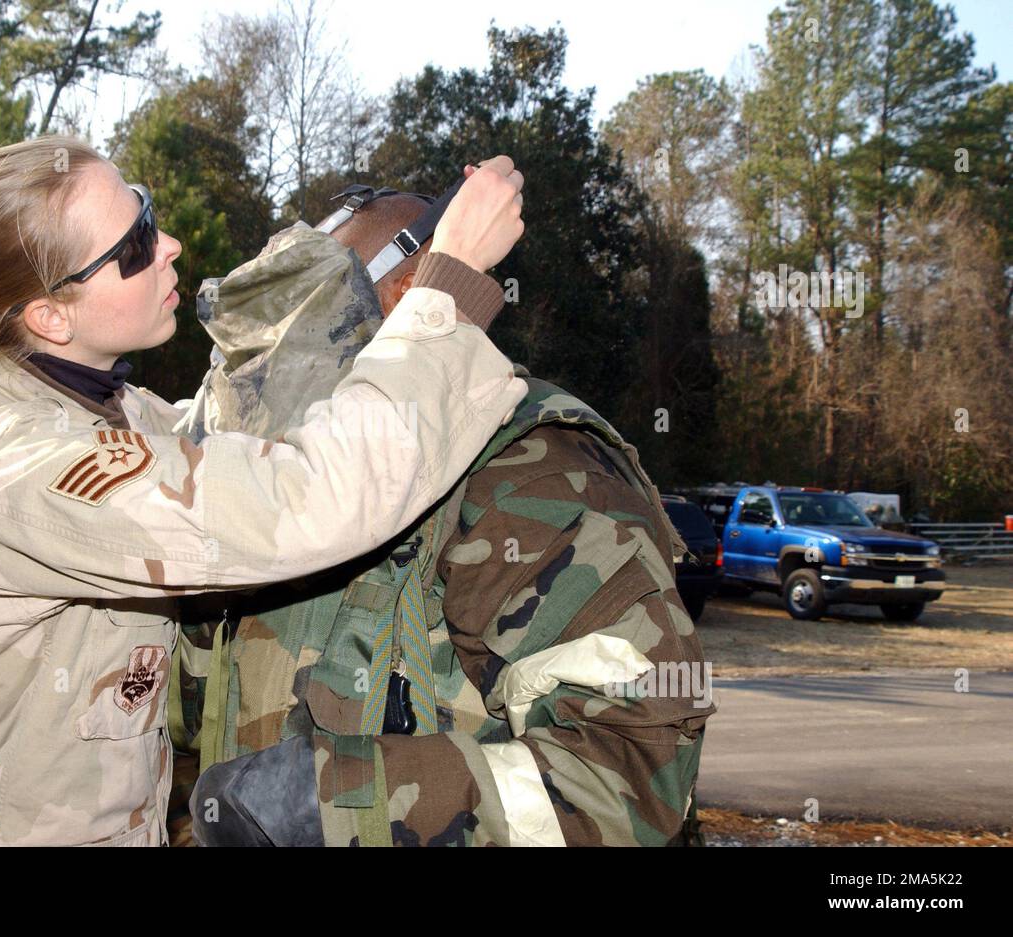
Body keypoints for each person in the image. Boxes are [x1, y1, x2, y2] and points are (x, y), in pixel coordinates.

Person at [0, 135, 528, 846]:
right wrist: (450, 281)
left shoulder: (114, 414)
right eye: (132, 246)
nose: (171, 244)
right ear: (51, 316)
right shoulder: (15, 463)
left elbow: (234, 433)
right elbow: (306, 500)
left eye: (147, 212)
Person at [175, 190, 715, 847]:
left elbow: (631, 770)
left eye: (315, 291)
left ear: (412, 290)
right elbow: (196, 723)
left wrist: (337, 806)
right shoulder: (292, 477)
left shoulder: (527, 467)